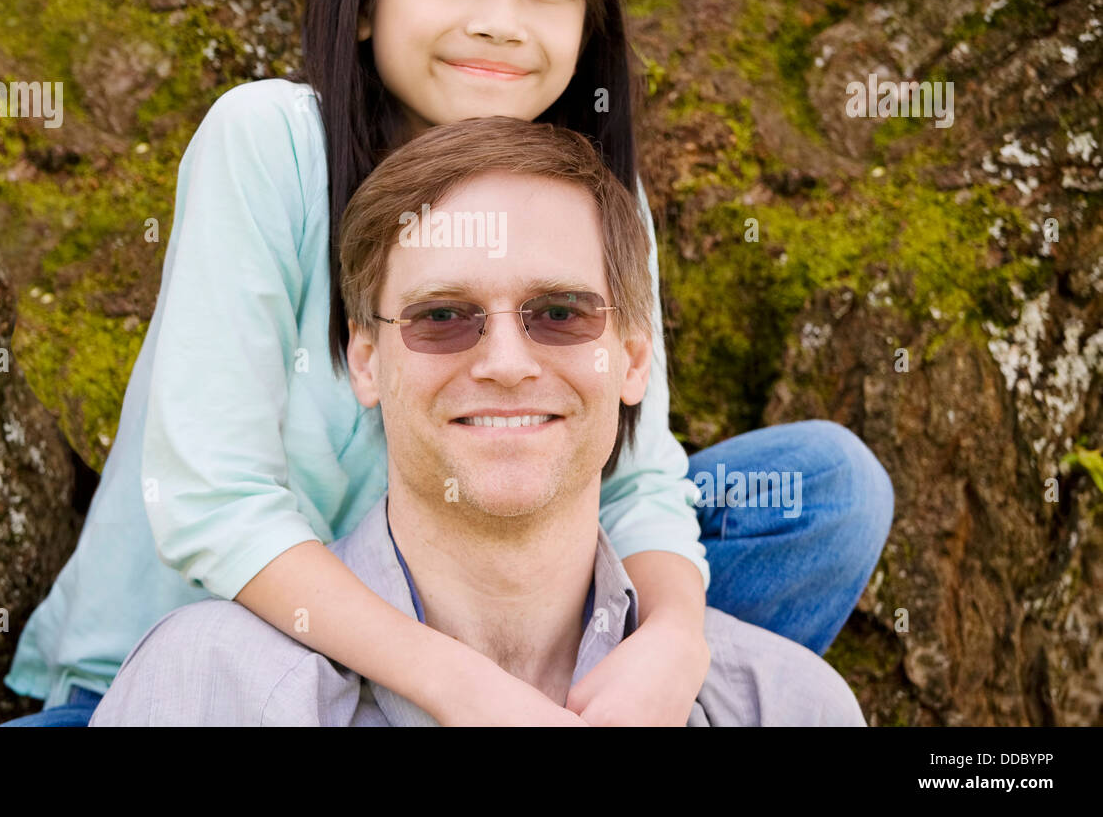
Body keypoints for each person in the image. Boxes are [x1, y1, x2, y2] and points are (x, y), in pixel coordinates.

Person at [1, 0, 892, 728]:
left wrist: (673, 642)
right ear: (363, 4)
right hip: (204, 666)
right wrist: (465, 692)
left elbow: (635, 475)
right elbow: (210, 498)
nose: (501, 24)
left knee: (821, 493)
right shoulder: (271, 145)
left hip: (513, 636)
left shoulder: (590, 192)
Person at [88, 117, 866, 726]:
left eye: (560, 313)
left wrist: (677, 633)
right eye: (443, 316)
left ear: (634, 359)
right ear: (364, 360)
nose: (505, 361)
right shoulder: (210, 688)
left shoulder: (791, 707)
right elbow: (212, 503)